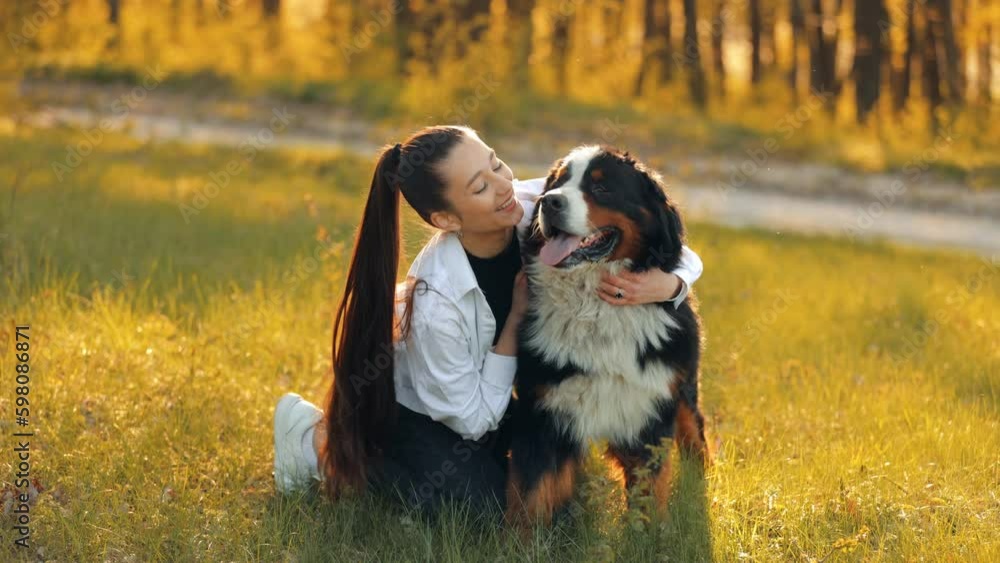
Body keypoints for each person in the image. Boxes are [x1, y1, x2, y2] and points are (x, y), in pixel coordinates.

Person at [272, 125, 703, 520]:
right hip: (426, 412)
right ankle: (319, 441)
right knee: (484, 511)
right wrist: (514, 323)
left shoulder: (529, 206)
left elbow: (664, 231)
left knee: (561, 512)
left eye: (496, 164)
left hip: (488, 397)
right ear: (446, 220)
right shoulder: (437, 302)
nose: (502, 186)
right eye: (480, 186)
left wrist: (668, 285)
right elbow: (473, 419)